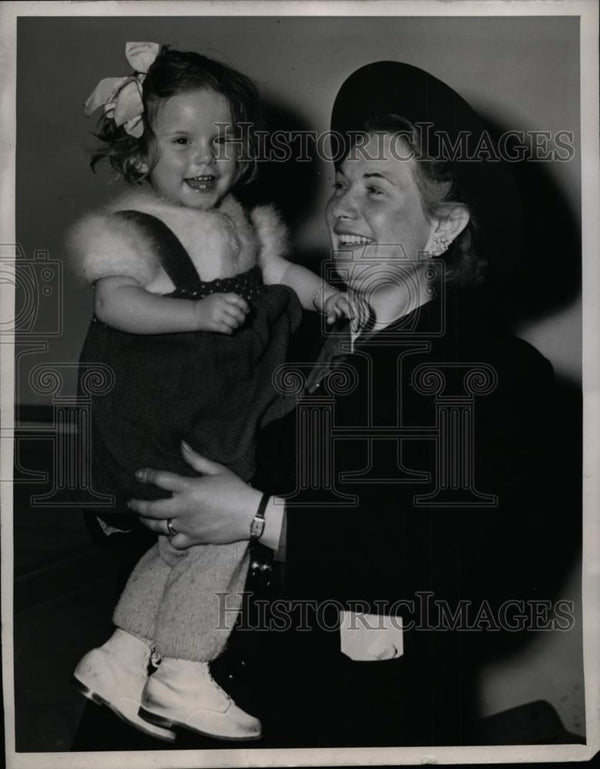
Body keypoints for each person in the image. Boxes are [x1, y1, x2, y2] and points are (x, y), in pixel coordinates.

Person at [127, 61, 573, 748]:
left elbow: (456, 560)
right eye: (341, 186)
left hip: (345, 719)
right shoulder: (291, 337)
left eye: (375, 189)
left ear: (443, 228)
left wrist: (252, 517)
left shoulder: (496, 369)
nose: (339, 211)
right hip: (190, 688)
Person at [67, 42, 352, 744]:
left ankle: (122, 654)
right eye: (183, 140)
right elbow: (114, 304)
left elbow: (278, 267)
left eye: (222, 140)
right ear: (141, 157)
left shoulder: (238, 221)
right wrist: (191, 312)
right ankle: (187, 669)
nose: (206, 157)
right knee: (223, 529)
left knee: (181, 539)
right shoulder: (135, 228)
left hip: (206, 407)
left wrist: (324, 295)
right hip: (154, 410)